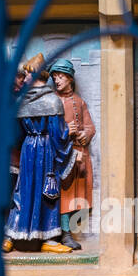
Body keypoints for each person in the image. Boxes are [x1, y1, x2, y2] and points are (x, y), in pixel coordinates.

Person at [4, 54, 75, 253]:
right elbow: (58, 134)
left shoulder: (42, 101)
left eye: (26, 74)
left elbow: (20, 134)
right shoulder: (47, 101)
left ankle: (47, 239)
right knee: (30, 190)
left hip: (34, 148)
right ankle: (13, 236)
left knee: (42, 192)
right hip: (41, 149)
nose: (24, 78)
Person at [50, 59, 95, 250]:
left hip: (79, 154)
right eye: (54, 77)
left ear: (69, 78)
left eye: (60, 76)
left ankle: (71, 229)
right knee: (65, 194)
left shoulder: (79, 101)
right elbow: (47, 130)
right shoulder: (52, 101)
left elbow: (90, 126)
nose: (57, 80)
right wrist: (65, 131)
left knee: (80, 192)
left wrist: (86, 134)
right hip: (62, 154)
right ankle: (64, 233)